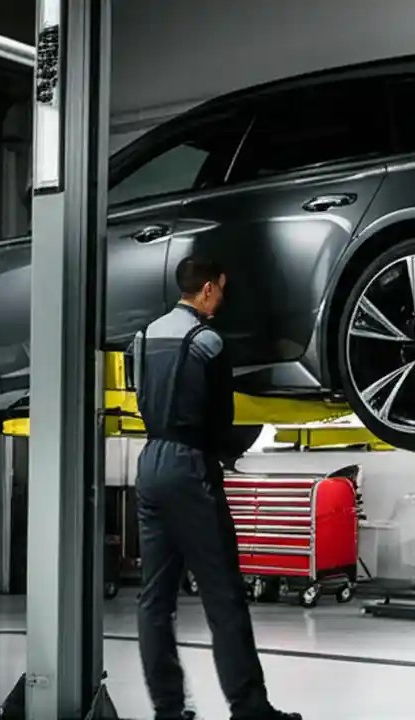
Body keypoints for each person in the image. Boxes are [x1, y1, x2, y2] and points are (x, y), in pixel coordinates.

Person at [129, 256, 300, 720]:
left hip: (150, 462)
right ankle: (249, 708)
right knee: (223, 593)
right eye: (220, 289)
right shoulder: (208, 341)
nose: (222, 299)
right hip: (190, 466)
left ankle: (168, 710)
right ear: (206, 289)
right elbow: (223, 419)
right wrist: (231, 449)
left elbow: (141, 396)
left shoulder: (141, 338)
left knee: (154, 599)